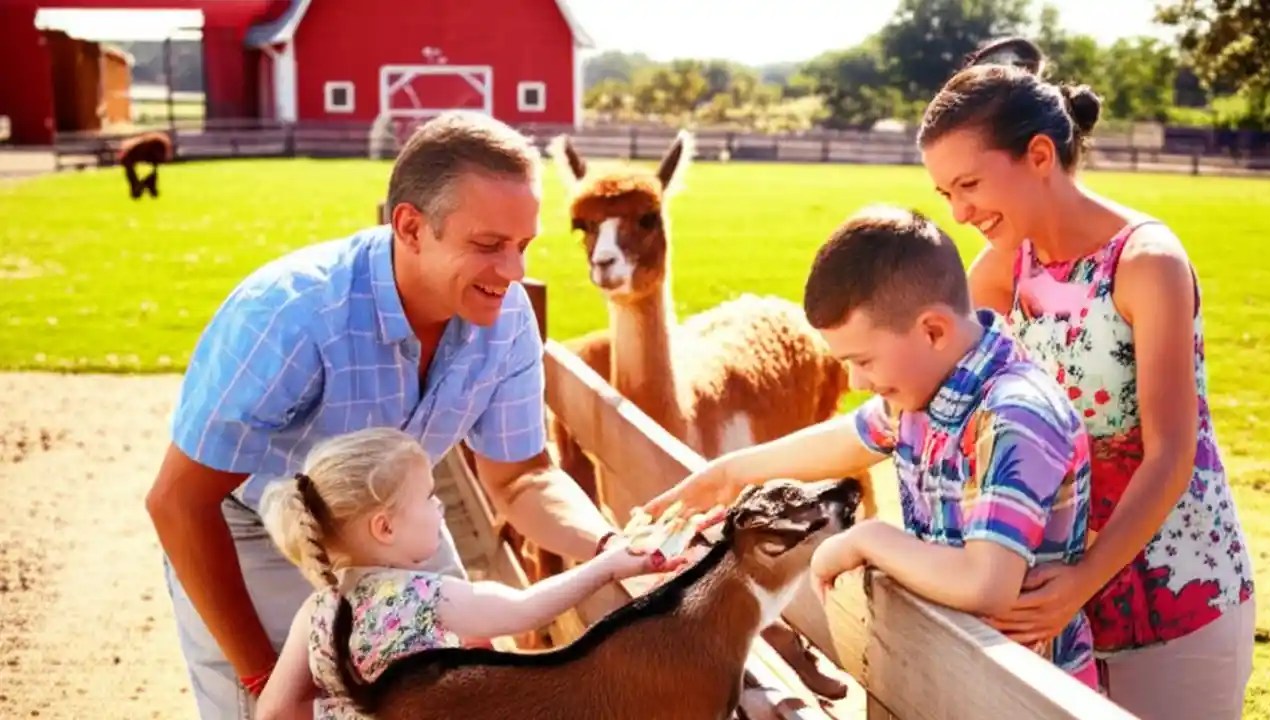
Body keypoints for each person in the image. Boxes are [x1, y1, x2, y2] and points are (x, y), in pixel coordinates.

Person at [144, 111, 663, 719]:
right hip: (262, 531)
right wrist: (262, 676)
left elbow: (521, 478)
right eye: (488, 245)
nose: (514, 273)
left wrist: (612, 543)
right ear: (412, 227)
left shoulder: (507, 318)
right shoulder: (291, 314)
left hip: (399, 522)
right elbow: (178, 502)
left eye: (523, 246)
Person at [917, 36, 1256, 718]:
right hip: (1052, 606)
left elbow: (1172, 453)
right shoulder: (1001, 270)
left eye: (970, 185)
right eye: (945, 193)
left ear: (1039, 155)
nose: (958, 212)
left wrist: (1081, 582)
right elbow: (926, 396)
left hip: (1177, 600)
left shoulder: (1146, 261)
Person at [644, 206, 1099, 689]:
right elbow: (847, 438)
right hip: (954, 678)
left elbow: (985, 584)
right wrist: (727, 475)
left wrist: (869, 539)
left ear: (933, 330)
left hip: (1028, 695)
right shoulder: (924, 391)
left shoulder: (1016, 416)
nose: (857, 381)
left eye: (862, 360)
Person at [252, 427, 674, 719]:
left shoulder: (317, 609)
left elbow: (275, 711)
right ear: (385, 527)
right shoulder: (423, 597)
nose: (440, 507)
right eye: (428, 496)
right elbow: (525, 608)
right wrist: (606, 567)